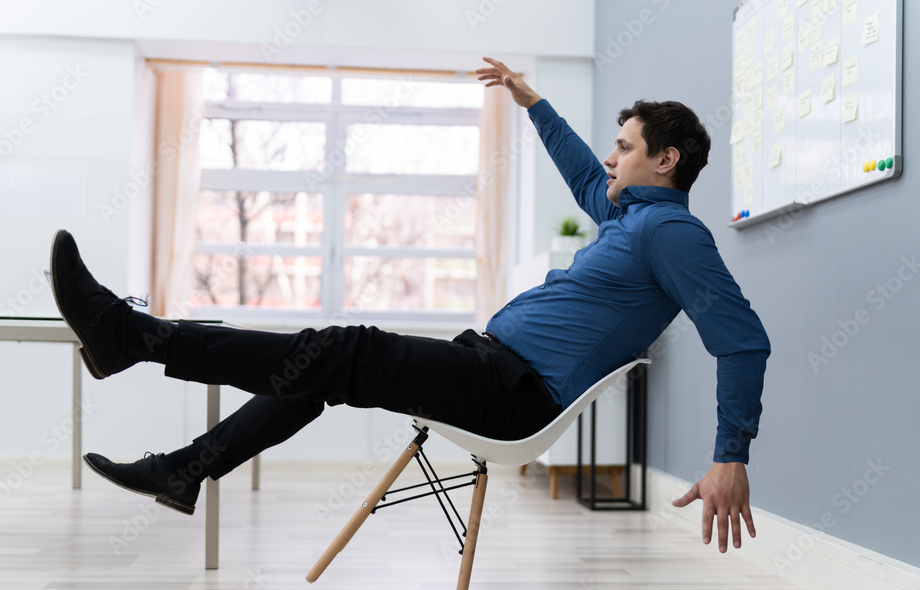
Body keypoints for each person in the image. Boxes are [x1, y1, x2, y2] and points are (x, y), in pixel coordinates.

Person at [55, 56, 769, 554]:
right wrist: (531, 101)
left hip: (512, 393)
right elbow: (587, 178)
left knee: (343, 349)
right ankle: (187, 470)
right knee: (322, 372)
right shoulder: (628, 217)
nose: (610, 159)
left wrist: (729, 454)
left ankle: (135, 338)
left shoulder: (671, 231)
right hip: (488, 365)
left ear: (666, 160)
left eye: (625, 147)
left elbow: (741, 340)